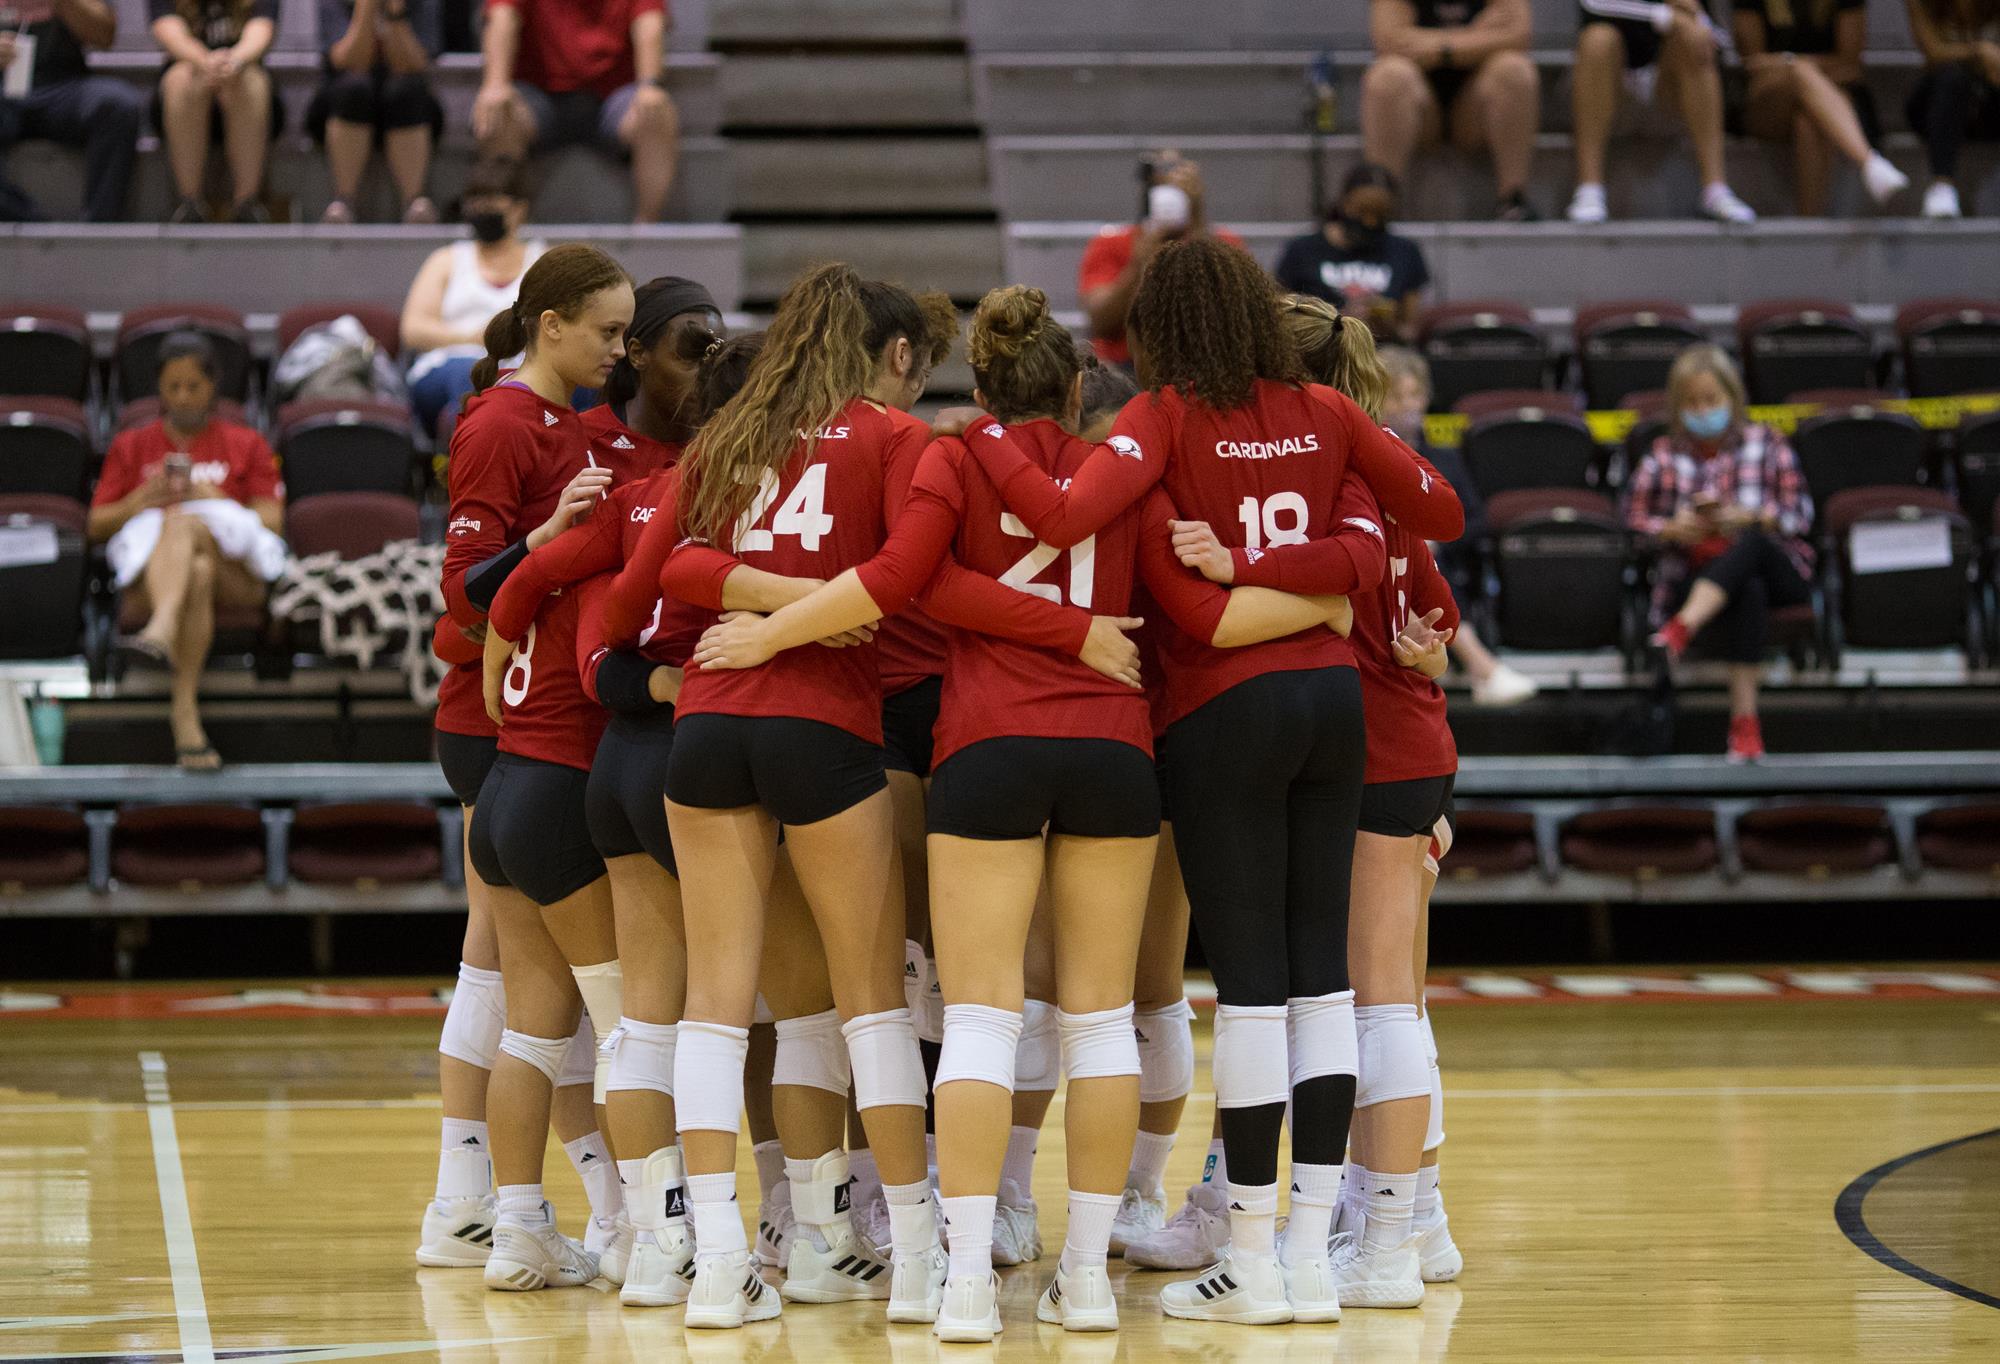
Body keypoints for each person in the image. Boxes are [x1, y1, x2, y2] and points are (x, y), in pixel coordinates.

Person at [685, 284, 1369, 1339]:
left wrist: (1029, 624)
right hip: (1111, 748)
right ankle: (1086, 1274)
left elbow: (910, 585)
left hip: (987, 746)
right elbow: (1189, 613)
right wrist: (1316, 598)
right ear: (1082, 383)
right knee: (1102, 1020)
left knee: (978, 1015)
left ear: (981, 382)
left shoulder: (949, 457)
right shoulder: (1122, 479)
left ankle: (959, 1279)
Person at [939, 238, 1464, 1325]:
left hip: (1225, 712)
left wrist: (986, 431)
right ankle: (1317, 1260)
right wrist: (1316, 589)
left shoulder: (1160, 416)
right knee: (1325, 983)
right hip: (1332, 710)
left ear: (1160, 331)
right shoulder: (1324, 411)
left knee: (1256, 991)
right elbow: (1435, 512)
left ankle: (1257, 1263)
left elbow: (1067, 520)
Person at [438, 244, 654, 1293]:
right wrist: (549, 542)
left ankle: (517, 1222)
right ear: (551, 322)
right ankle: (649, 1232)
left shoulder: (578, 423)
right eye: (607, 332)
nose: (620, 351)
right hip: (537, 758)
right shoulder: (497, 424)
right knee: (616, 1021)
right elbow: (468, 589)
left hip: (523, 757)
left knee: (538, 1018)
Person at [1277, 298, 1460, 1310]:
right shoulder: (1382, 471)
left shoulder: (1314, 477)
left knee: (1373, 997)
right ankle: (1416, 1215)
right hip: (1410, 740)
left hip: (1372, 753)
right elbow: (1439, 611)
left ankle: (1385, 1236)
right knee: (1396, 998)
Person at [87, 333, 283, 770]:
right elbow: (94, 526)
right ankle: (185, 716)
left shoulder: (245, 442)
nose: (182, 396)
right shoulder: (131, 446)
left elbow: (273, 521)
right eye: (172, 387)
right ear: (158, 388)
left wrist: (212, 497)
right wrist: (141, 499)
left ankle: (162, 627)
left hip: (237, 578)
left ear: (213, 386)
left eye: (192, 386)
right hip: (159, 577)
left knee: (187, 522)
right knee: (194, 569)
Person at [1624, 343, 1814, 762]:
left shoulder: (1768, 442)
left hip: (1781, 567)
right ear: (1677, 406)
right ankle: (1744, 726)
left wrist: (1754, 517)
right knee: (1749, 589)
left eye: (1711, 399)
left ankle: (1679, 629)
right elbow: (1631, 524)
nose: (1702, 409)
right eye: (1692, 402)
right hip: (1702, 574)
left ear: (1733, 397)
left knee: (1752, 543)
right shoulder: (1662, 456)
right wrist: (1671, 528)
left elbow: (1800, 516)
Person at [1376, 341, 1538, 706]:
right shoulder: (1370, 454)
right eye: (1397, 397)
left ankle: (1470, 665)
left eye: (1415, 394)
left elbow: (1475, 519)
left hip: (1441, 563)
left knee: (1432, 574)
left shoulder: (1445, 458)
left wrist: (1439, 540)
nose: (1409, 406)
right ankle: (1482, 667)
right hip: (1386, 561)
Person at [473, 0, 679, 224]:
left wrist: (649, 84)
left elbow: (650, 23)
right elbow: (503, 17)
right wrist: (495, 84)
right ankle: (506, 230)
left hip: (613, 96)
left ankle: (647, 229)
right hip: (539, 95)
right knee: (499, 112)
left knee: (657, 109)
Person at [1568, 0, 1757, 224]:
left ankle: (1715, 190)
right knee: (1597, 40)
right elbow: (1595, 4)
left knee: (1693, 40)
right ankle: (1590, 188)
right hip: (1614, 84)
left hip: (1666, 88)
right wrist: (1666, 15)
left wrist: (1695, 21)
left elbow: (1718, 36)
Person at [402, 155, 544, 438]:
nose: (482, 210)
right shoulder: (447, 260)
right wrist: (476, 338)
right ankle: (479, 452)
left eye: (491, 202)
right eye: (475, 202)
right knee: (472, 374)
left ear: (519, 209)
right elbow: (413, 330)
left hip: (522, 370)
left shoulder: (541, 261)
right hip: (450, 364)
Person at [1361, 0, 1542, 220]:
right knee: (1388, 75)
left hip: (1476, 106)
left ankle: (1513, 199)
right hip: (1420, 108)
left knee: (1514, 69)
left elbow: (1518, 36)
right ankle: (1379, 202)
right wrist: (1476, 35)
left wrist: (1436, 46)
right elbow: (1389, 41)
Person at [1734, 0, 1908, 214]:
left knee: (1808, 120)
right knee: (1798, 71)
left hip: (1828, 95)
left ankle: (1810, 222)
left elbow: (1850, 66)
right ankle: (1868, 160)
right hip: (1769, 99)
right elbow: (1753, 62)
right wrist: (1794, 65)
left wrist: (1788, 63)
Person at [1078, 152, 1246, 368]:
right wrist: (1138, 267)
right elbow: (1100, 322)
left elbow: (1240, 315)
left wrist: (1199, 233)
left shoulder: (1223, 244)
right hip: (1126, 366)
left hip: (1207, 363)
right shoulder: (1112, 243)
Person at [0, 0, 142, 222]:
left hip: (63, 86)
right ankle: (31, 223)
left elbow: (105, 36)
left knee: (117, 105)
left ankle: (98, 230)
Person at [309, 0, 445, 224]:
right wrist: (366, 6)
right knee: (354, 87)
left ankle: (414, 202)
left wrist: (395, 12)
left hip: (406, 104)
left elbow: (412, 63)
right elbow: (351, 60)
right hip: (345, 103)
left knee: (405, 90)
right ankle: (344, 201)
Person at [149, 0, 280, 224]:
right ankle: (189, 203)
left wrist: (234, 61)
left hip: (242, 74)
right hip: (186, 79)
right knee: (182, 78)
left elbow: (262, 29)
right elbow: (168, 31)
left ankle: (246, 204)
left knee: (248, 81)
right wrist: (205, 61)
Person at [1273, 164, 1431, 344]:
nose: (1370, 222)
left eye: (1381, 214)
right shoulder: (1302, 250)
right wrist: (1339, 320)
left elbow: (1411, 331)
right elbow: (1280, 319)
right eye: (1362, 210)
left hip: (1385, 354)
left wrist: (1390, 326)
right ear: (1344, 203)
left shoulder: (1405, 251)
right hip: (1321, 353)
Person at [1904, 0, 2000, 219]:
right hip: (1937, 102)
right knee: (1953, 78)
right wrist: (1979, 52)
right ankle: (1942, 185)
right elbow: (1933, 53)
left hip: (1989, 100)